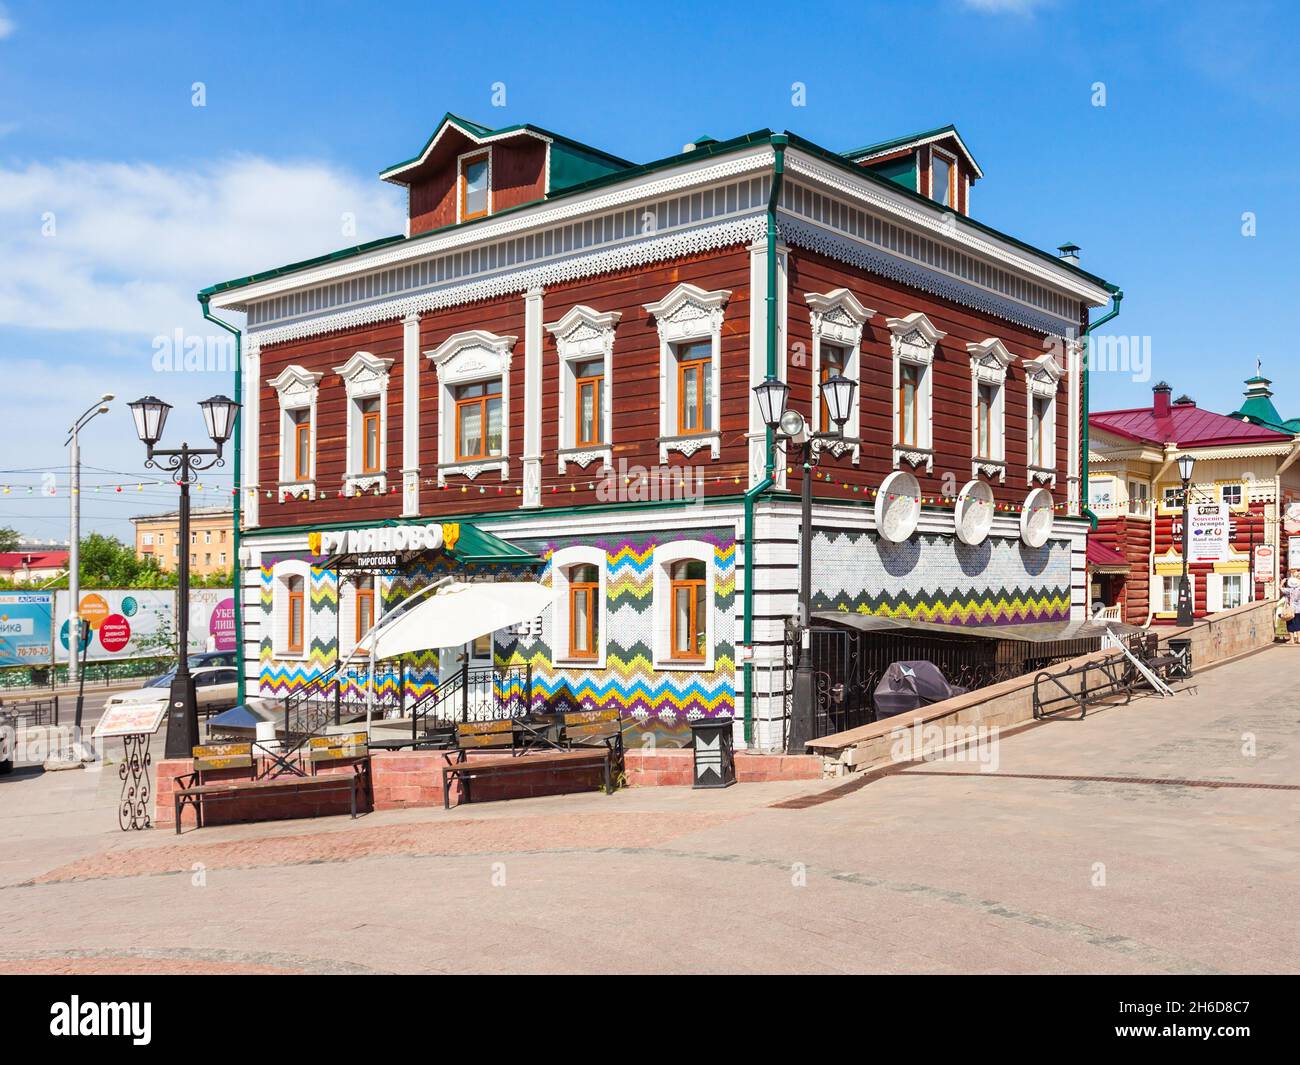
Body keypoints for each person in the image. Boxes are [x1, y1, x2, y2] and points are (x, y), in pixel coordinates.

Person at [1284, 570, 1300, 645]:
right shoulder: (1299, 590)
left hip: (1291, 610)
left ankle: (1292, 640)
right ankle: (1299, 639)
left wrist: (1282, 582)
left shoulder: (1288, 590)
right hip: (1299, 609)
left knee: (1290, 624)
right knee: (1298, 623)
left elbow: (1280, 588)